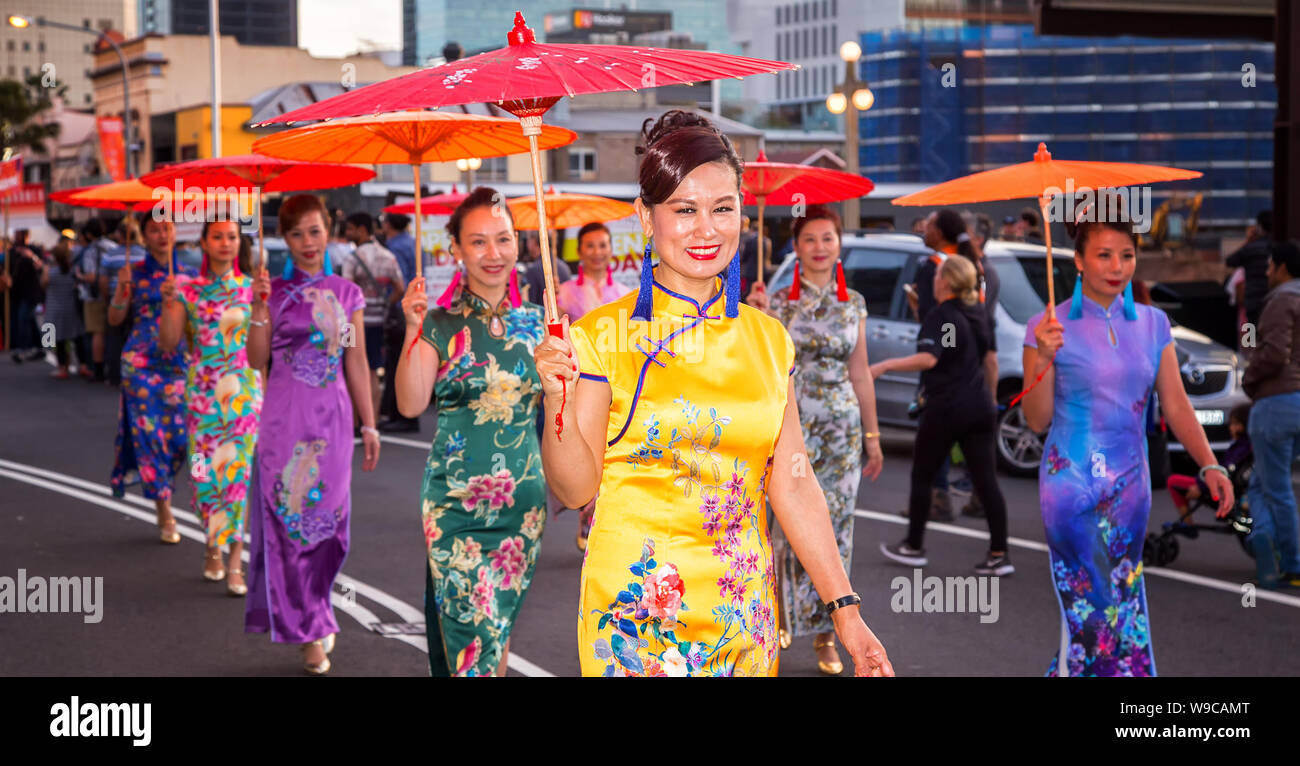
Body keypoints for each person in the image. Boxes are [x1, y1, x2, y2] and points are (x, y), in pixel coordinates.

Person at [533, 110, 893, 677]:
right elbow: (576, 488)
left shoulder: (769, 340)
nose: (707, 229)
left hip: (742, 612)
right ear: (645, 219)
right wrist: (556, 399)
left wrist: (846, 611)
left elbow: (794, 485)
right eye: (684, 209)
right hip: (638, 622)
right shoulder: (602, 336)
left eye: (723, 208)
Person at [1020, 215, 1233, 676]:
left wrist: (1211, 465)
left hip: (1131, 491)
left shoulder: (1154, 325)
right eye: (1103, 254)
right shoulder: (1045, 327)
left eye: (1127, 255)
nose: (1117, 266)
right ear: (1078, 261)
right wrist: (1042, 356)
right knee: (1092, 610)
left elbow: (1176, 406)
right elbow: (1035, 419)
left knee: (1120, 606)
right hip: (1072, 488)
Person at [394, 186, 547, 677]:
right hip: (455, 506)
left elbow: (567, 412)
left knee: (496, 630)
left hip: (522, 507)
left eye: (502, 240)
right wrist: (410, 329)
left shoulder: (542, 324)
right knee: (471, 638)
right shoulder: (438, 323)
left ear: (518, 243)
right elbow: (411, 402)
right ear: (455, 249)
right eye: (477, 242)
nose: (492, 254)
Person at [745, 204, 885, 675]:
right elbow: (761, 365)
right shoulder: (777, 303)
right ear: (796, 247)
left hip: (842, 431)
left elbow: (860, 372)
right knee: (785, 527)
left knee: (837, 531)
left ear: (839, 245)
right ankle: (784, 611)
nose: (820, 247)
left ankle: (828, 630)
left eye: (828, 238)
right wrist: (757, 315)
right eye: (810, 239)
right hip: (790, 428)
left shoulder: (855, 303)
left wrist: (873, 436)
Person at [244, 194, 380, 675]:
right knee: (291, 524)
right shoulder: (272, 292)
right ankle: (310, 627)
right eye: (296, 233)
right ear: (284, 238)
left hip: (335, 420)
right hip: (284, 423)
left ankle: (315, 605)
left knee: (330, 530)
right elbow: (257, 361)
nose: (307, 241)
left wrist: (369, 422)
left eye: (315, 230)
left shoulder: (345, 294)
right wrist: (260, 308)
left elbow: (355, 360)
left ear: (329, 231)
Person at [873, 256, 1013, 575]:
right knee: (986, 480)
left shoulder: (943, 315)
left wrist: (883, 365)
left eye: (937, 275)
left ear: (946, 282)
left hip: (946, 406)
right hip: (979, 406)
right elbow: (988, 361)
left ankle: (913, 546)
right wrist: (990, 401)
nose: (933, 280)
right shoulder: (979, 313)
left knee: (923, 474)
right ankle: (999, 554)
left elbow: (931, 358)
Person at [159, 218, 263, 597]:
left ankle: (234, 558)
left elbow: (262, 352)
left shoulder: (253, 289)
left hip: (244, 399)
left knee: (237, 477)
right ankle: (210, 544)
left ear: (240, 243)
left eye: (232, 237)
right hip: (201, 401)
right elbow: (169, 343)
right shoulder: (188, 289)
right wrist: (168, 302)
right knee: (204, 476)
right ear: (203, 242)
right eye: (217, 236)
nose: (225, 243)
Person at [107, 214, 197, 543]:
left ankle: (198, 493)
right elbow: (115, 319)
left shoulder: (189, 274)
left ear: (175, 232)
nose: (162, 234)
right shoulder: (135, 274)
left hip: (180, 363)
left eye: (167, 228)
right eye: (154, 230)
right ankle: (164, 507)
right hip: (141, 365)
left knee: (184, 436)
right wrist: (121, 287)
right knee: (151, 436)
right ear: (144, 236)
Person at [906, 209, 1000, 519]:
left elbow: (941, 326)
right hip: (975, 367)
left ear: (942, 231)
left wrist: (919, 311)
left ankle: (937, 500)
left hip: (944, 377)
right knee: (976, 451)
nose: (924, 228)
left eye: (930, 224)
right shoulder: (980, 268)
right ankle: (981, 503)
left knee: (931, 449)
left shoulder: (935, 268)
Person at [1241, 239, 1300, 589]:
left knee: (1274, 488)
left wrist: (1249, 379)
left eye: (1268, 265)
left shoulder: (1281, 301)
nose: (1265, 271)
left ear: (1282, 267)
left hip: (1276, 403)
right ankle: (1265, 541)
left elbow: (1274, 353)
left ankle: (1288, 561)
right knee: (1263, 482)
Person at [342, 211, 405, 426]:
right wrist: (385, 304)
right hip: (379, 321)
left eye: (350, 228)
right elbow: (400, 288)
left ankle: (356, 421)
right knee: (372, 371)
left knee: (352, 367)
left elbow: (346, 294)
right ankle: (373, 420)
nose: (348, 233)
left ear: (361, 229)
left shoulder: (352, 258)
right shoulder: (387, 256)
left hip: (353, 323)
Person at [1167, 404, 1251, 517]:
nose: (1231, 428)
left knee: (1173, 481)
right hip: (1220, 483)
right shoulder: (1244, 445)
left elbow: (1225, 470)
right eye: (1231, 423)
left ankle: (1187, 523)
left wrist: (1200, 485)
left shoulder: (1241, 448)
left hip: (1215, 485)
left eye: (1235, 424)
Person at [100, 219, 146, 385]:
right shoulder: (144, 254)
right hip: (137, 301)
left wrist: (107, 299)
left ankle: (115, 374)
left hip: (117, 299)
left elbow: (103, 281)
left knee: (115, 338)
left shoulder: (110, 255)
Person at [39, 237, 84, 379]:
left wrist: (45, 269)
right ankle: (82, 365)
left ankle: (62, 368)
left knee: (58, 340)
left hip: (54, 310)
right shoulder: (72, 272)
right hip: (70, 309)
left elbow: (43, 284)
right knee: (75, 338)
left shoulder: (51, 272)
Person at [1225, 210, 1273, 331]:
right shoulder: (1277, 247)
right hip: (1272, 302)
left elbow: (1230, 261)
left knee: (1249, 343)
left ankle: (1249, 348)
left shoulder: (1250, 248)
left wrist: (1248, 240)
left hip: (1252, 305)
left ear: (1259, 227)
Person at [7, 230, 44, 363]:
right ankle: (39, 347)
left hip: (31, 292)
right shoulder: (11, 252)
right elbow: (6, 270)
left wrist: (32, 256)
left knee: (23, 318)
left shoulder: (34, 250)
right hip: (16, 292)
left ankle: (22, 349)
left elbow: (41, 267)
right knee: (29, 320)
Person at [521, 230, 571, 306]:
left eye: (528, 239)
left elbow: (531, 305)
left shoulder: (533, 270)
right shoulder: (565, 267)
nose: (527, 244)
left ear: (534, 241)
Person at [382, 212, 418, 283]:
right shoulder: (413, 242)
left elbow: (401, 278)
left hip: (406, 292)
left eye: (383, 221)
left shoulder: (395, 247)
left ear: (388, 224)